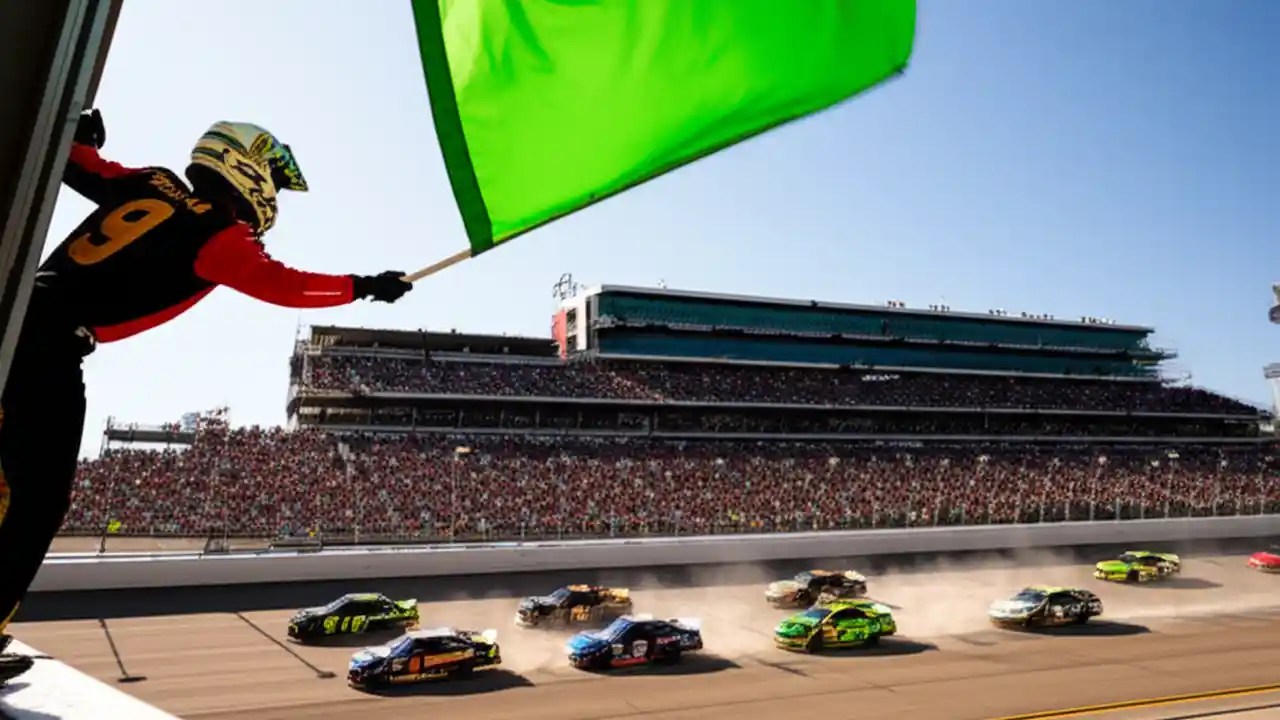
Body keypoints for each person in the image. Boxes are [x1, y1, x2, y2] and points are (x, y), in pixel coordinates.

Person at [0, 110, 413, 680]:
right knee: (37, 503)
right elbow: (284, 284)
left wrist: (81, 141)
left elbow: (77, 165)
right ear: (248, 169)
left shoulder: (155, 182)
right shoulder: (223, 234)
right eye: (273, 180)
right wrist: (363, 287)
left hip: (11, 312)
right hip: (48, 353)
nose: (274, 197)